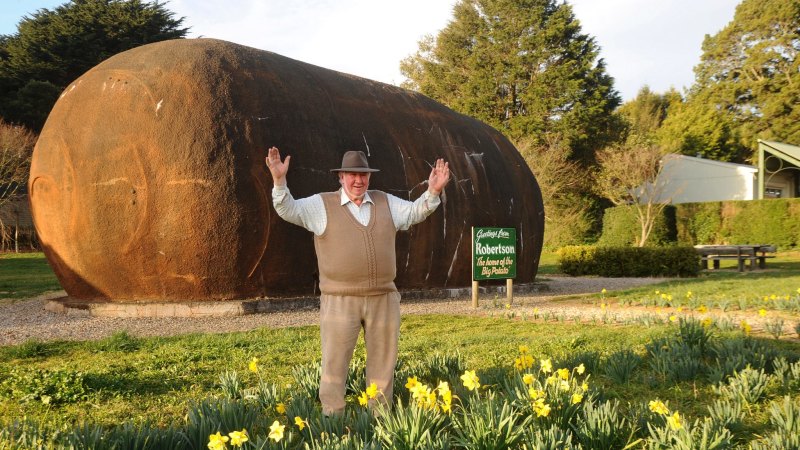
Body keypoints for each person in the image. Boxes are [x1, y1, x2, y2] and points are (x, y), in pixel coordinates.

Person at [265, 146, 450, 415]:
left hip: (383, 299)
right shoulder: (322, 205)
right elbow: (287, 208)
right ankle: (333, 419)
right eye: (352, 175)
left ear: (369, 177)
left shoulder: (385, 201)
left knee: (383, 364)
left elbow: (413, 212)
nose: (358, 180)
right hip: (340, 300)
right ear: (340, 177)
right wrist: (279, 180)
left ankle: (380, 418)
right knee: (335, 363)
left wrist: (433, 191)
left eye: (363, 175)